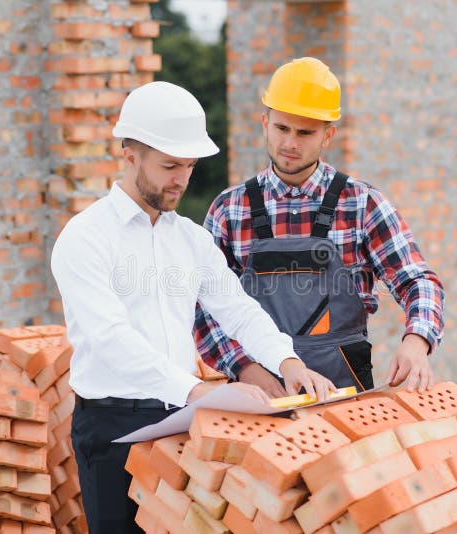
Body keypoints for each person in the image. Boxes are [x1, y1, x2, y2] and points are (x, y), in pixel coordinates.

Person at [50, 81, 335, 534]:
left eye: (188, 165)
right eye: (169, 165)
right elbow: (110, 338)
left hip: (181, 421)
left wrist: (286, 359)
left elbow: (238, 309)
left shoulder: (190, 239)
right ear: (131, 156)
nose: (181, 178)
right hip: (112, 426)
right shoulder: (85, 238)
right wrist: (198, 391)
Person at [194, 57, 445, 397]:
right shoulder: (230, 209)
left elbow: (417, 281)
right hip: (259, 393)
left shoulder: (361, 203)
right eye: (282, 128)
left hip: (347, 393)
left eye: (305, 132)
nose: (290, 144)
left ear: (328, 135)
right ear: (265, 122)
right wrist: (245, 368)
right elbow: (202, 303)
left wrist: (417, 341)